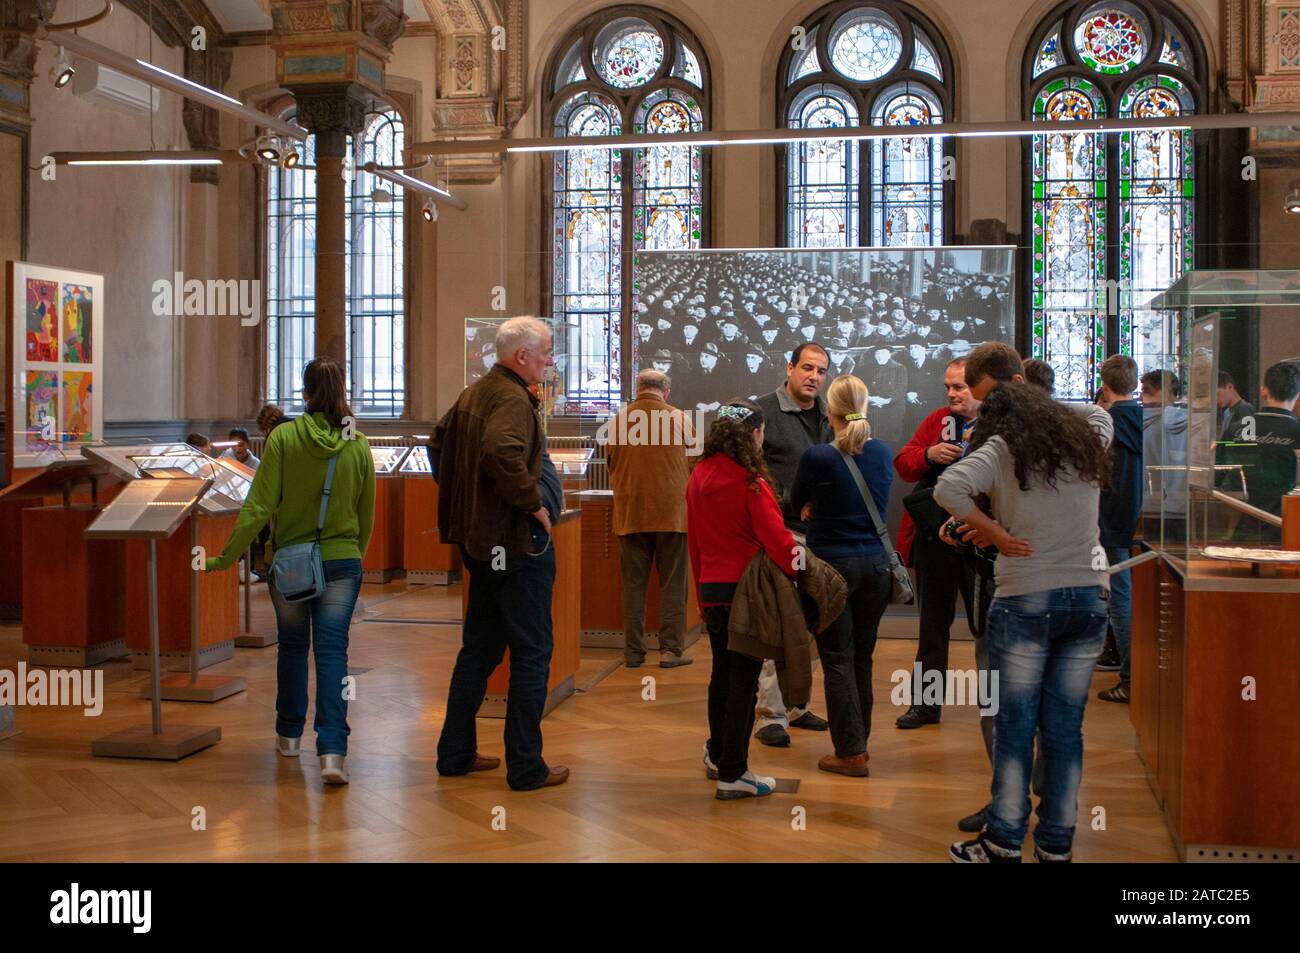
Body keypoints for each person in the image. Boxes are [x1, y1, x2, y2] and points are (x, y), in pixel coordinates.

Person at [937, 380, 1113, 863]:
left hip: (1027, 595)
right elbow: (1103, 413)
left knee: (1015, 725)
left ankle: (1003, 840)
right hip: (1089, 595)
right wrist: (1048, 406)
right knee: (1064, 729)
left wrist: (995, 533)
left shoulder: (1001, 446)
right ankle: (1056, 844)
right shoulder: (1086, 438)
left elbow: (949, 486)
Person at [204, 357, 375, 785]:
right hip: (342, 562)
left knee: (294, 649)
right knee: (334, 654)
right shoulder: (358, 442)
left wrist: (227, 558)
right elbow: (366, 512)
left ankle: (288, 735)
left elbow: (258, 506)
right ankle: (334, 751)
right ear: (343, 391)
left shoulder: (283, 439)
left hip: (291, 564)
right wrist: (356, 556)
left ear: (305, 393)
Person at [430, 316, 569, 791]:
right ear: (521, 356)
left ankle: (455, 753)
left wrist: (468, 502)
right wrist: (532, 504)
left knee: (480, 652)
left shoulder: (475, 392)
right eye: (546, 352)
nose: (551, 361)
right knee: (532, 654)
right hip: (516, 548)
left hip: (482, 546)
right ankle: (527, 767)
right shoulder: (511, 397)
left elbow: (437, 443)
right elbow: (500, 451)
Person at [687, 399, 798, 799]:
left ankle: (718, 755)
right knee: (744, 682)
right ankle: (733, 772)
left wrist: (701, 593)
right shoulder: (752, 483)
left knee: (723, 677)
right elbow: (779, 541)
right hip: (748, 595)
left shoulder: (698, 474)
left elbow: (696, 543)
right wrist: (802, 569)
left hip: (713, 591)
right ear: (753, 434)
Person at [788, 375, 893, 777]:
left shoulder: (818, 457)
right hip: (876, 566)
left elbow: (796, 503)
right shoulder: (882, 452)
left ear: (829, 411)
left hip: (831, 569)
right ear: (865, 407)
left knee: (836, 659)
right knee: (861, 658)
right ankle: (858, 742)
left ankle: (850, 752)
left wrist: (814, 505)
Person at [892, 357, 981, 731]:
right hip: (934, 540)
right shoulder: (935, 421)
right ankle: (926, 705)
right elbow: (904, 462)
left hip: (980, 539)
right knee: (932, 627)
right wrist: (929, 454)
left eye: (959, 387)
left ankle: (994, 704)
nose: (951, 394)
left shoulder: (996, 425)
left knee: (987, 629)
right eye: (948, 387)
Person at [751, 343, 833, 747]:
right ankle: (769, 715)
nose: (814, 376)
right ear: (790, 368)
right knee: (777, 624)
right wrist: (791, 498)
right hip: (777, 533)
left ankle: (796, 703)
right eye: (807, 368)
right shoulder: (763, 410)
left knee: (809, 623)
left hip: (818, 535)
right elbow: (751, 469)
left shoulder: (826, 413)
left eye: (820, 370)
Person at [605, 368, 695, 670]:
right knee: (673, 586)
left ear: (638, 389)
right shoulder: (681, 418)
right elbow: (696, 466)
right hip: (673, 516)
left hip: (630, 515)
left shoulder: (617, 422)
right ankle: (671, 650)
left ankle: (633, 652)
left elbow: (610, 463)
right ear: (665, 392)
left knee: (633, 587)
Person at [1095, 355, 1144, 705]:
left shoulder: (1108, 421)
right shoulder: (1146, 417)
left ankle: (1130, 679)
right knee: (1125, 598)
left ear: (1105, 386)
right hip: (1138, 515)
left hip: (1111, 515)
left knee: (1120, 601)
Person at [1140, 369, 1188, 542]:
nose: (1140, 397)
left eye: (1145, 391)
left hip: (1150, 502)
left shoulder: (1137, 421)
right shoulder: (1189, 423)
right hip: (1182, 503)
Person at [1217, 370, 1254, 440]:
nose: (1216, 400)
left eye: (1217, 394)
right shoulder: (1227, 412)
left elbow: (1246, 442)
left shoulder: (1244, 408)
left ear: (1230, 387)